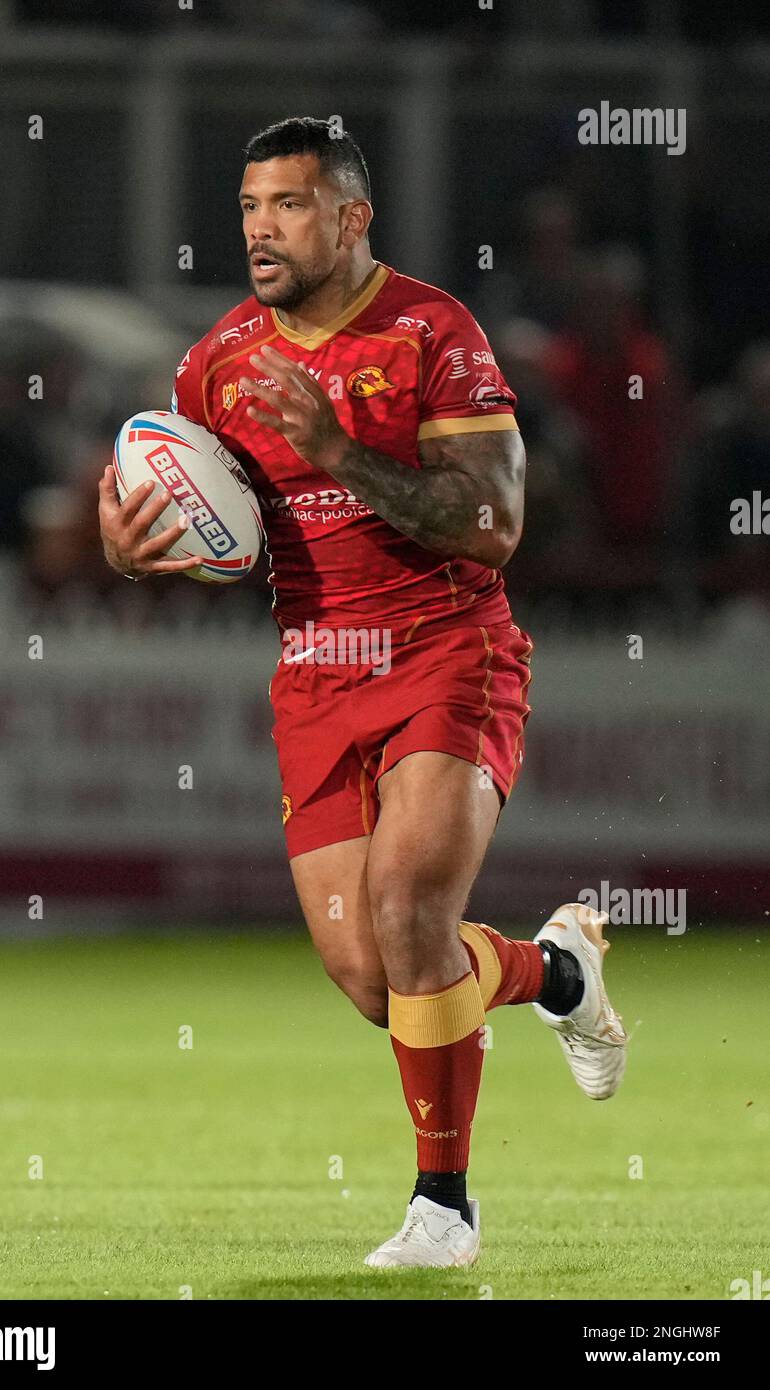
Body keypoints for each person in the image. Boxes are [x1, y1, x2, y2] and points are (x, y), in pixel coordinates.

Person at [98, 117, 627, 1269]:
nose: (259, 230)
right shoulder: (216, 364)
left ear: (350, 218)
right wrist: (140, 548)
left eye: (287, 205)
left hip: (446, 650)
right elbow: (209, 529)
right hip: (314, 677)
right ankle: (557, 973)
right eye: (247, 208)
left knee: (409, 914)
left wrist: (338, 451)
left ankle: (443, 1211)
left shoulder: (433, 332)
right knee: (374, 982)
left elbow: (492, 526)